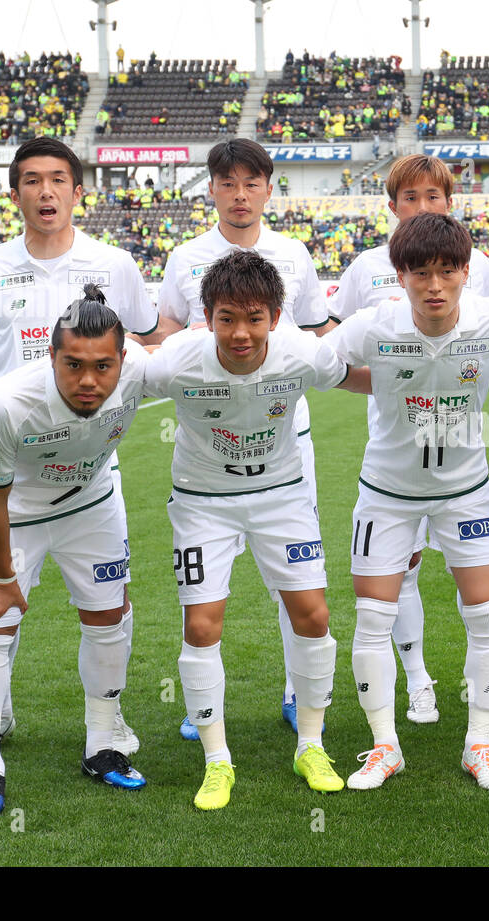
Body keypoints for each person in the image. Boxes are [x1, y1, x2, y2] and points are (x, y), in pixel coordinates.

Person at [0, 137, 157, 762]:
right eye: (31, 180)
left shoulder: (115, 265)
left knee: (110, 610)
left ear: (79, 192)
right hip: (10, 469)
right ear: (14, 193)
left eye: (58, 179)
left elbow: (154, 340)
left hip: (89, 473)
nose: (46, 191)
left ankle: (106, 727)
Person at [145, 250, 371, 809]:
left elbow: (356, 378)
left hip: (282, 497)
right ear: (207, 315)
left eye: (253, 318)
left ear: (275, 316)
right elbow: (111, 385)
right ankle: (217, 760)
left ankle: (311, 745)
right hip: (204, 503)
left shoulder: (303, 352)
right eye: (227, 318)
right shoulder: (175, 360)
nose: (240, 333)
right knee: (202, 625)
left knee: (313, 614)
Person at [327, 213, 489, 792]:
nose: (434, 285)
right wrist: (385, 382)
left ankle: (480, 744)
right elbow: (321, 365)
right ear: (400, 275)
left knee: (486, 615)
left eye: (447, 272)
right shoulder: (373, 325)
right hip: (386, 493)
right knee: (373, 618)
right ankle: (383, 746)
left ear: (466, 272)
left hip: (466, 493)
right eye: (420, 273)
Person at [326, 153, 489, 724]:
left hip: (459, 460)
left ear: (450, 204)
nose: (423, 206)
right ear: (392, 207)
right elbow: (335, 353)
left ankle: (477, 729)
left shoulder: (481, 270)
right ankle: (417, 679)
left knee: (480, 599)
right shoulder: (364, 269)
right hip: (393, 453)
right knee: (395, 576)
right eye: (411, 197)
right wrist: (392, 384)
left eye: (434, 196)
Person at [156, 139, 331, 740]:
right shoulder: (186, 257)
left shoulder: (293, 253)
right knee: (205, 592)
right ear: (211, 189)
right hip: (210, 443)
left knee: (298, 580)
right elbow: (168, 338)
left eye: (250, 183)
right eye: (227, 183)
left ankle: (295, 691)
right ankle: (203, 706)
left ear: (268, 188)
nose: (239, 195)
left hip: (285, 438)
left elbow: (316, 333)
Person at [0, 286, 148, 819]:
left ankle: (101, 743)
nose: (89, 381)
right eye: (73, 365)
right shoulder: (6, 402)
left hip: (92, 505)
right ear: (51, 356)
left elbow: (209, 353)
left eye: (103, 366)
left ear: (122, 360)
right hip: (13, 517)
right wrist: (1, 578)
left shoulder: (139, 373)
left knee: (109, 618)